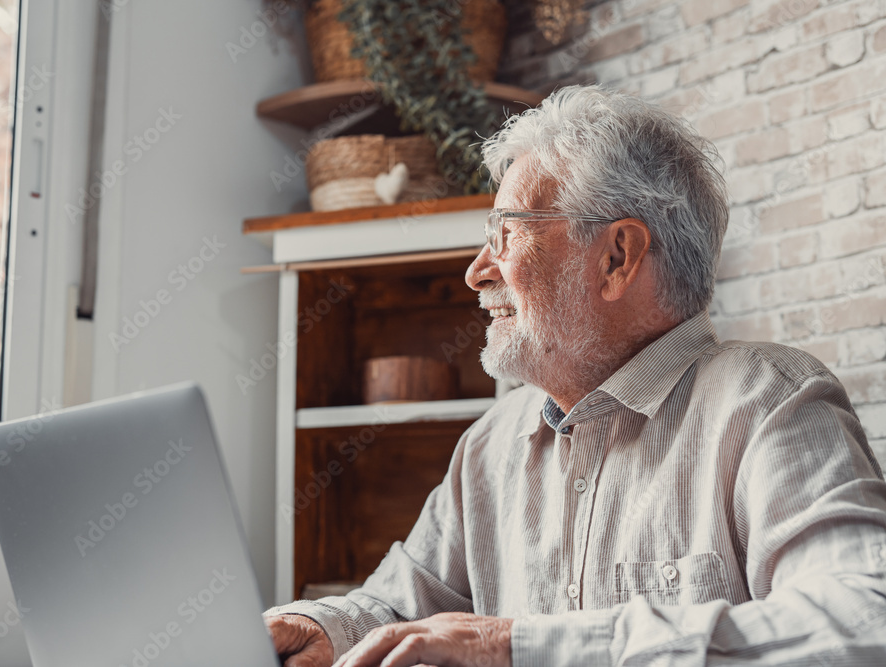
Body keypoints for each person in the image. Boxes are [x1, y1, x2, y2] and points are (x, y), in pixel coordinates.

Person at [263, 85, 886, 667]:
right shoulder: (489, 444)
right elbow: (403, 604)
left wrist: (514, 645)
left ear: (617, 256)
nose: (477, 272)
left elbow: (861, 624)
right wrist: (323, 628)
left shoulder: (770, 400)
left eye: (507, 233)